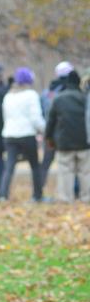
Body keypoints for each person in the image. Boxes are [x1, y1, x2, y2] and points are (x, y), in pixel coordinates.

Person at [0, 67, 46, 202]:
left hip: (9, 135)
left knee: (9, 165)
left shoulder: (8, 96)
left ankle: (3, 194)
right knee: (35, 166)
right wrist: (44, 129)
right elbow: (35, 117)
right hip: (26, 134)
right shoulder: (31, 95)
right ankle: (37, 195)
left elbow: (5, 116)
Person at [44, 69, 87, 202]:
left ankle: (65, 198)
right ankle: (87, 198)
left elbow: (51, 121)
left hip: (64, 142)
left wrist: (49, 138)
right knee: (85, 172)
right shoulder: (85, 98)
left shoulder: (58, 99)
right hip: (84, 141)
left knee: (65, 171)